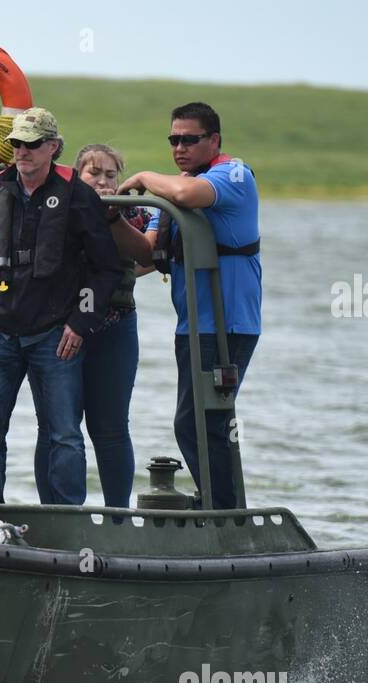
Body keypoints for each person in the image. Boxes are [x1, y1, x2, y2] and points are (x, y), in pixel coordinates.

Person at [0, 108, 122, 505]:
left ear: (53, 147)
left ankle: (68, 518)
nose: (22, 151)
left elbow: (105, 268)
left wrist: (80, 322)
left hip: (54, 335)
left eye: (32, 144)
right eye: (17, 143)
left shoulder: (78, 196)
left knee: (64, 433)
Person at [109, 101, 261, 510]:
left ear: (214, 140)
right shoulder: (173, 190)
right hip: (193, 326)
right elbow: (146, 253)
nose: (179, 147)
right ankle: (218, 504)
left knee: (198, 423)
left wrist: (142, 176)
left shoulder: (232, 175)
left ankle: (224, 513)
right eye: (174, 140)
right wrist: (111, 217)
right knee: (199, 423)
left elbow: (185, 194)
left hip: (228, 325)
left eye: (189, 140)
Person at [32, 144, 153, 509]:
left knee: (111, 428)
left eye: (110, 175)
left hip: (115, 327)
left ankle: (117, 516)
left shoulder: (133, 212)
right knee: (54, 427)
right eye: (94, 173)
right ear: (77, 175)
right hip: (59, 330)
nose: (102, 181)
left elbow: (150, 254)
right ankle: (55, 514)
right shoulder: (57, 204)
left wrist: (114, 222)